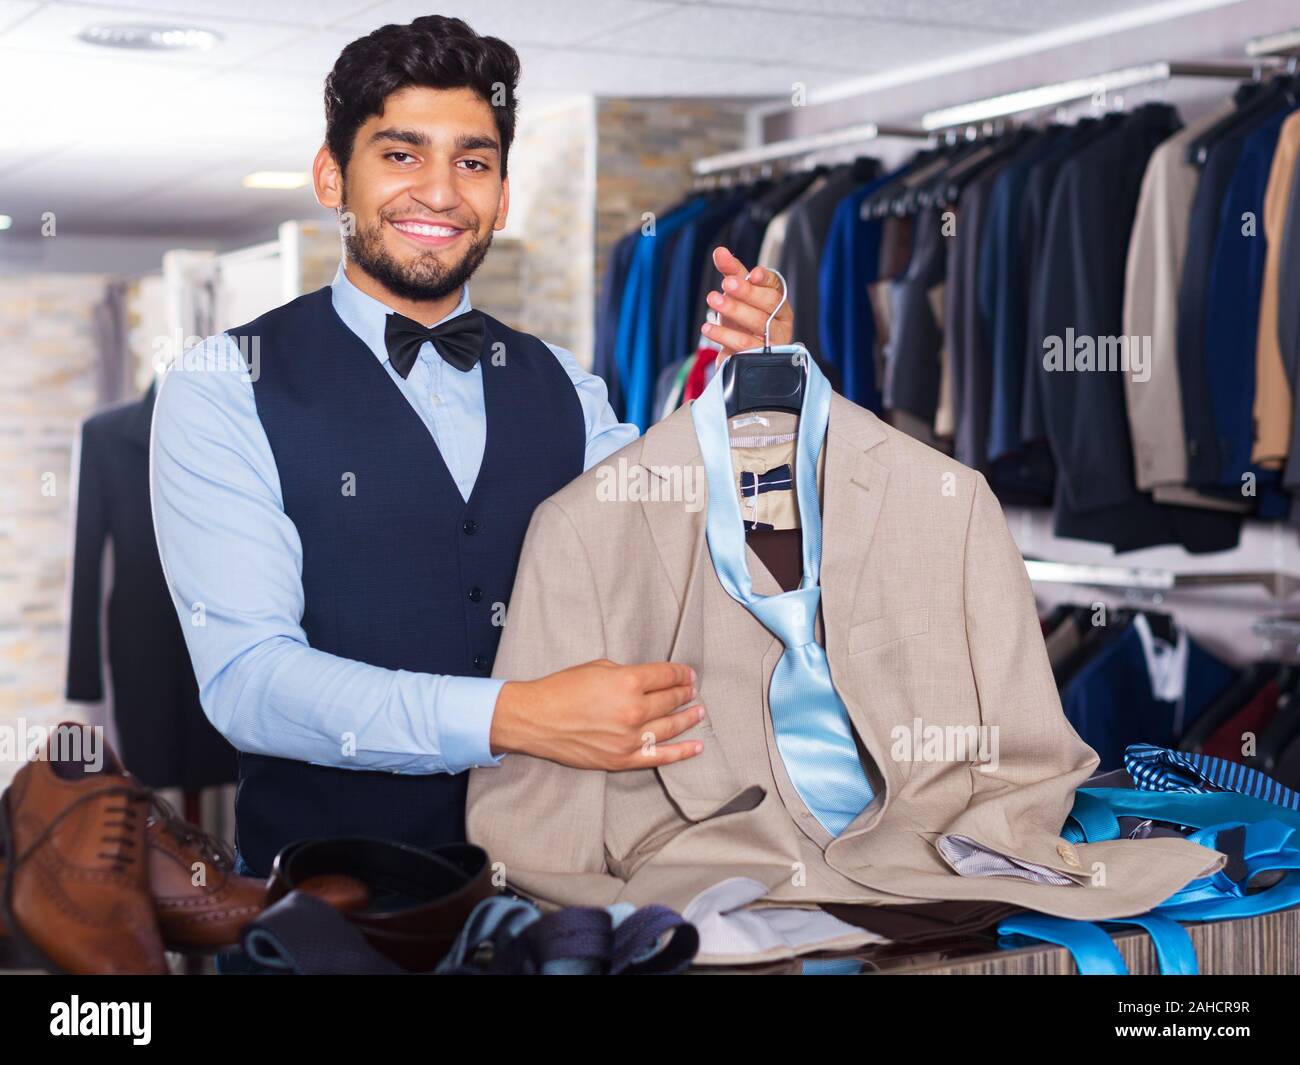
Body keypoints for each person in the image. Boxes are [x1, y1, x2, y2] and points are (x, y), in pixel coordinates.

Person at [150, 14, 793, 875]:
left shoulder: (566, 384)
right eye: (402, 154)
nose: (443, 192)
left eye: (474, 161)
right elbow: (252, 683)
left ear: (501, 191)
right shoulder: (222, 382)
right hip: (328, 915)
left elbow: (705, 566)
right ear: (332, 177)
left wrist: (763, 398)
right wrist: (512, 716)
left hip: (561, 894)